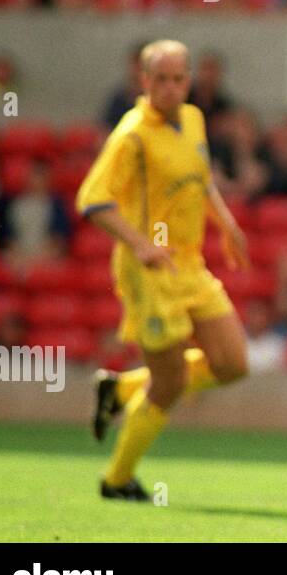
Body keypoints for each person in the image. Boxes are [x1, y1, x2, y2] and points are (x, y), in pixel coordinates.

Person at [76, 39, 250, 500]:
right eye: (162, 80)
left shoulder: (192, 118)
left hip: (190, 263)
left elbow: (202, 177)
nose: (171, 88)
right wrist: (140, 246)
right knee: (170, 382)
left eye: (179, 79)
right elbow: (92, 200)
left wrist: (227, 223)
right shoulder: (131, 134)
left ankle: (122, 389)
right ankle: (116, 480)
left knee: (232, 363)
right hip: (147, 268)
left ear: (189, 81)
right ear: (144, 81)